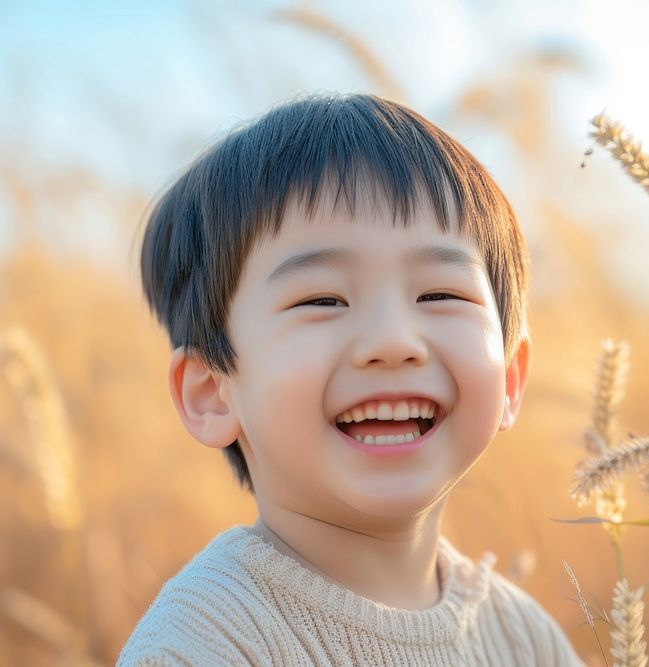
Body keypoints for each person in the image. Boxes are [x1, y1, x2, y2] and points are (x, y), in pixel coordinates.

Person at [118, 93, 585, 666]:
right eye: (322, 299)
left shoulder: (524, 641)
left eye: (440, 294)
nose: (392, 341)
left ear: (511, 377)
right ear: (213, 392)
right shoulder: (206, 644)